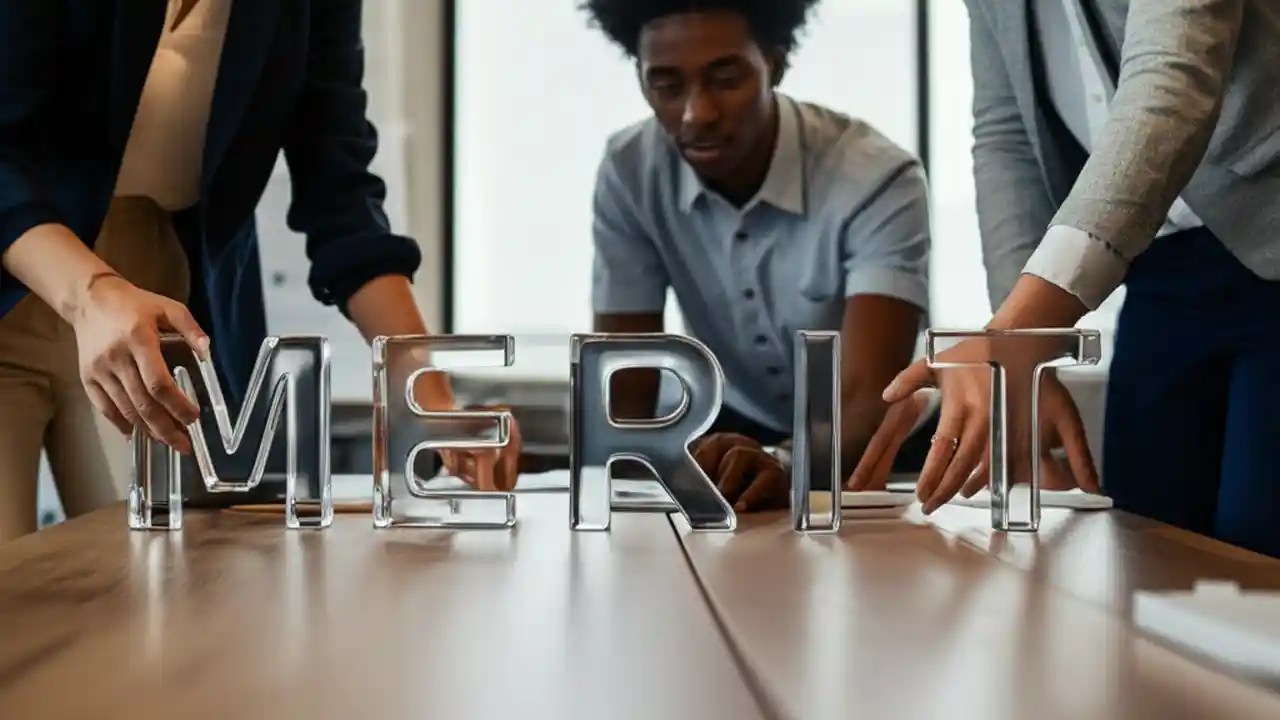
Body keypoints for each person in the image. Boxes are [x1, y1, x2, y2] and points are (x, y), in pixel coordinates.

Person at [0, 0, 520, 543]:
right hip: (25, 273)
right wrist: (92, 294)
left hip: (161, 299)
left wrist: (426, 391)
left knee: (171, 590)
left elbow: (339, 190)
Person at [852, 0, 1280, 557]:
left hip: (1269, 228)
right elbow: (1006, 132)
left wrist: (1015, 335)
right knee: (1148, 547)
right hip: (1163, 268)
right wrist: (1026, 347)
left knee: (1258, 554)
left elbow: (1170, 80)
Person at [580, 0, 937, 512]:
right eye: (665, 84)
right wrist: (608, 491)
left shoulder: (877, 177)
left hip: (884, 443)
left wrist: (786, 462)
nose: (695, 114)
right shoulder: (629, 169)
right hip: (734, 436)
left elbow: (867, 393)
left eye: (726, 79)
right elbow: (625, 380)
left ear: (775, 61)